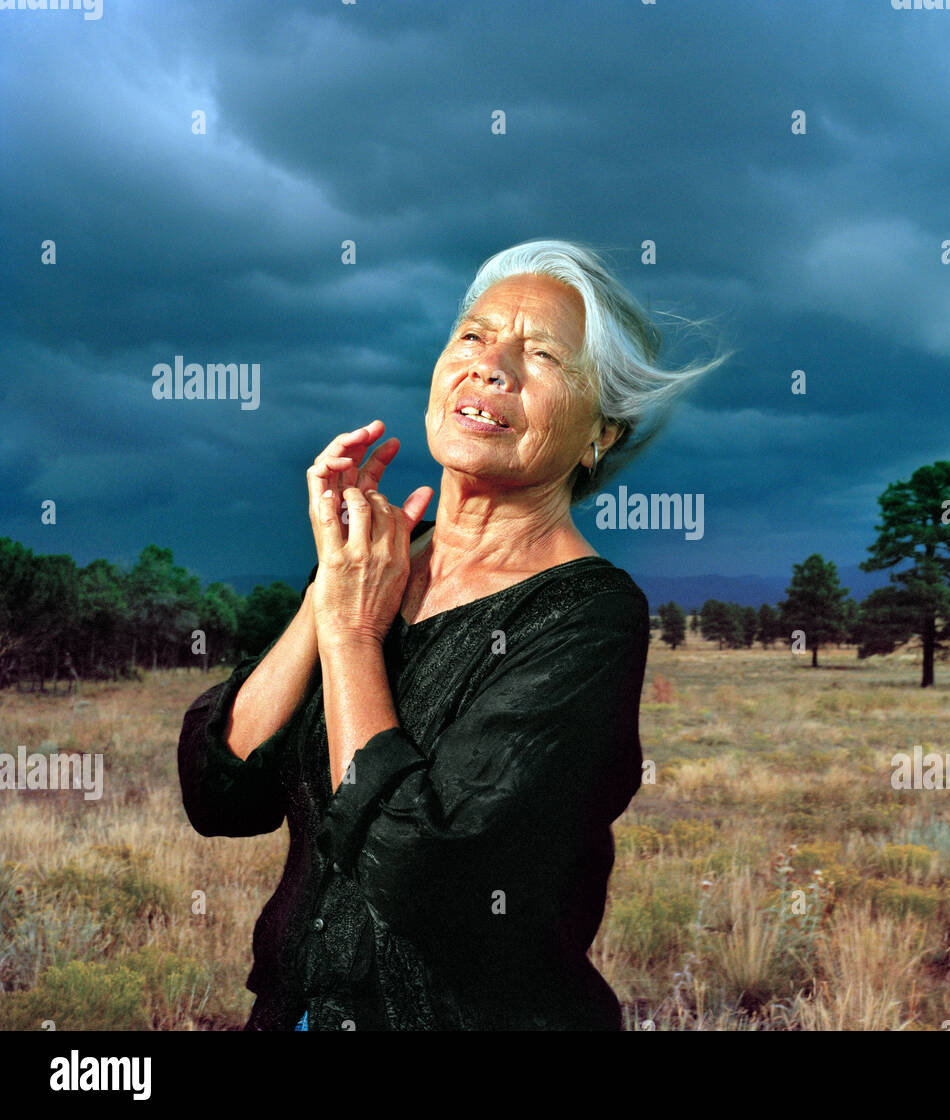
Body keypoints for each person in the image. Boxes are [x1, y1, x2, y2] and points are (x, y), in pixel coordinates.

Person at [177, 239, 730, 1029]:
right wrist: (331, 592)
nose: (491, 365)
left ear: (602, 430)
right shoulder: (371, 571)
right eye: (472, 336)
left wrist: (352, 635)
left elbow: (416, 869)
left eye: (541, 354)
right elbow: (218, 795)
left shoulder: (588, 616)